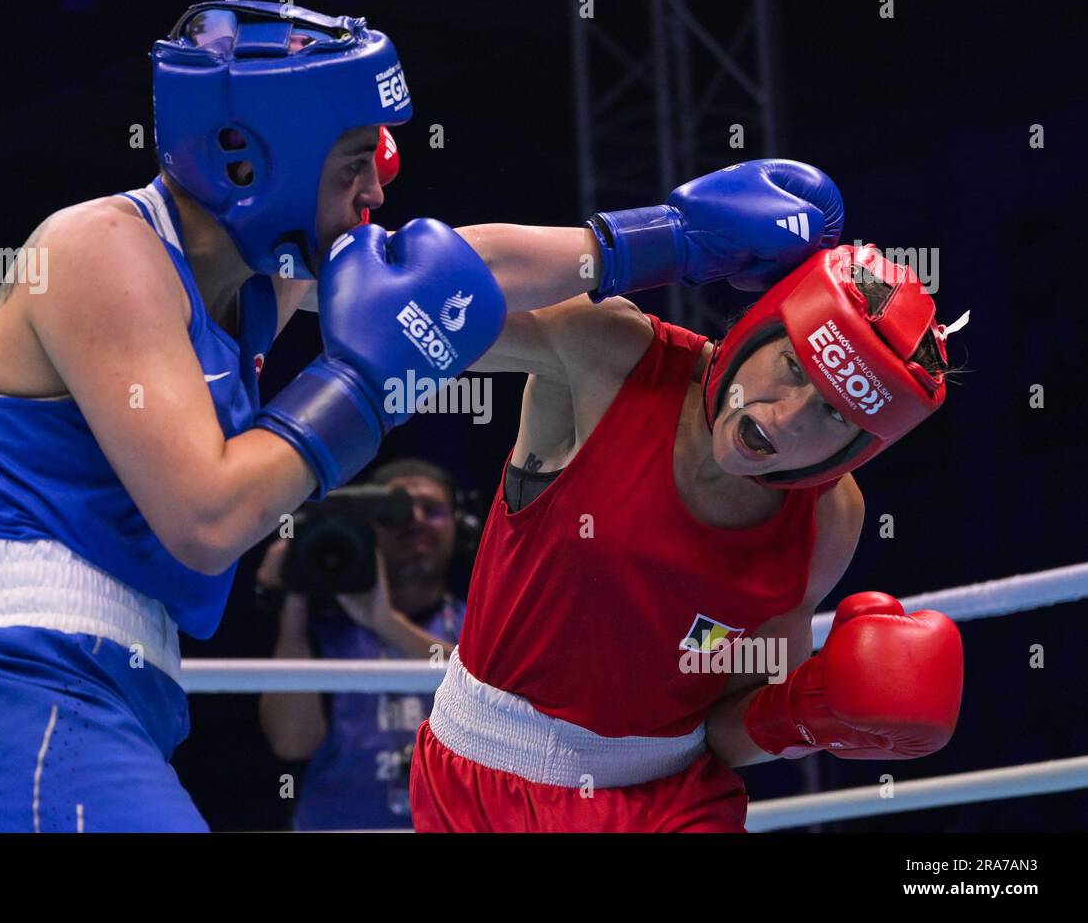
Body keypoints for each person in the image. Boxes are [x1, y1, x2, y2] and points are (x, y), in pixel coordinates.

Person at [0, 0, 503, 832]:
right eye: (350, 164)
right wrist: (364, 386)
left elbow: (461, 268)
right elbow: (209, 514)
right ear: (254, 158)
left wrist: (641, 243)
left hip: (114, 701)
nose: (373, 191)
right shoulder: (99, 248)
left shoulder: (248, 291)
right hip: (31, 692)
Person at [408, 241, 969, 832]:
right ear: (758, 328)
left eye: (834, 415)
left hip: (673, 801)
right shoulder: (614, 357)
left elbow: (726, 733)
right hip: (485, 779)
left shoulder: (829, 518)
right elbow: (398, 302)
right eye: (796, 367)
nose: (786, 417)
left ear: (859, 447)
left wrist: (807, 714)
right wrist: (653, 238)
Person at [258, 459, 467, 830]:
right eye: (396, 513)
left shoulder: (479, 627)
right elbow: (291, 743)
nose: (415, 520)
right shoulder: (322, 633)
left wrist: (384, 621)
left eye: (431, 510)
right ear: (368, 530)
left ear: (461, 526)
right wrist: (293, 594)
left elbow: (492, 700)